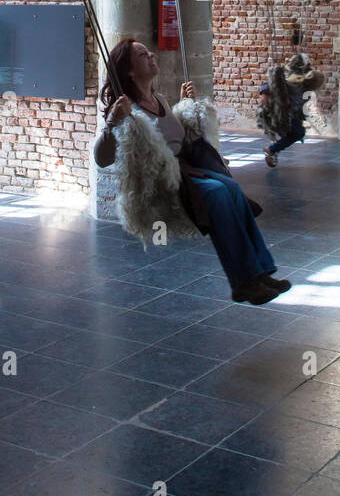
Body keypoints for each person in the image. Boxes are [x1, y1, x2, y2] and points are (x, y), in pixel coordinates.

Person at [94, 37, 290, 305]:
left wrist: (185, 107)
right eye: (142, 55)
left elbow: (174, 135)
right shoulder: (128, 111)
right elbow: (101, 158)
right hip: (165, 181)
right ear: (129, 69)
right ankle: (244, 282)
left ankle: (261, 272)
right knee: (219, 192)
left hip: (187, 169)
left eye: (149, 51)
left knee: (232, 189)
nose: (151, 55)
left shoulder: (159, 98)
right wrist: (111, 122)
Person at [257, 52, 323, 167]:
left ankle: (273, 150)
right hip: (281, 114)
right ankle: (272, 149)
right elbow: (270, 84)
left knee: (295, 132)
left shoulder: (306, 90)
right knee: (298, 132)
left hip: (290, 115)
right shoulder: (294, 84)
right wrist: (265, 95)